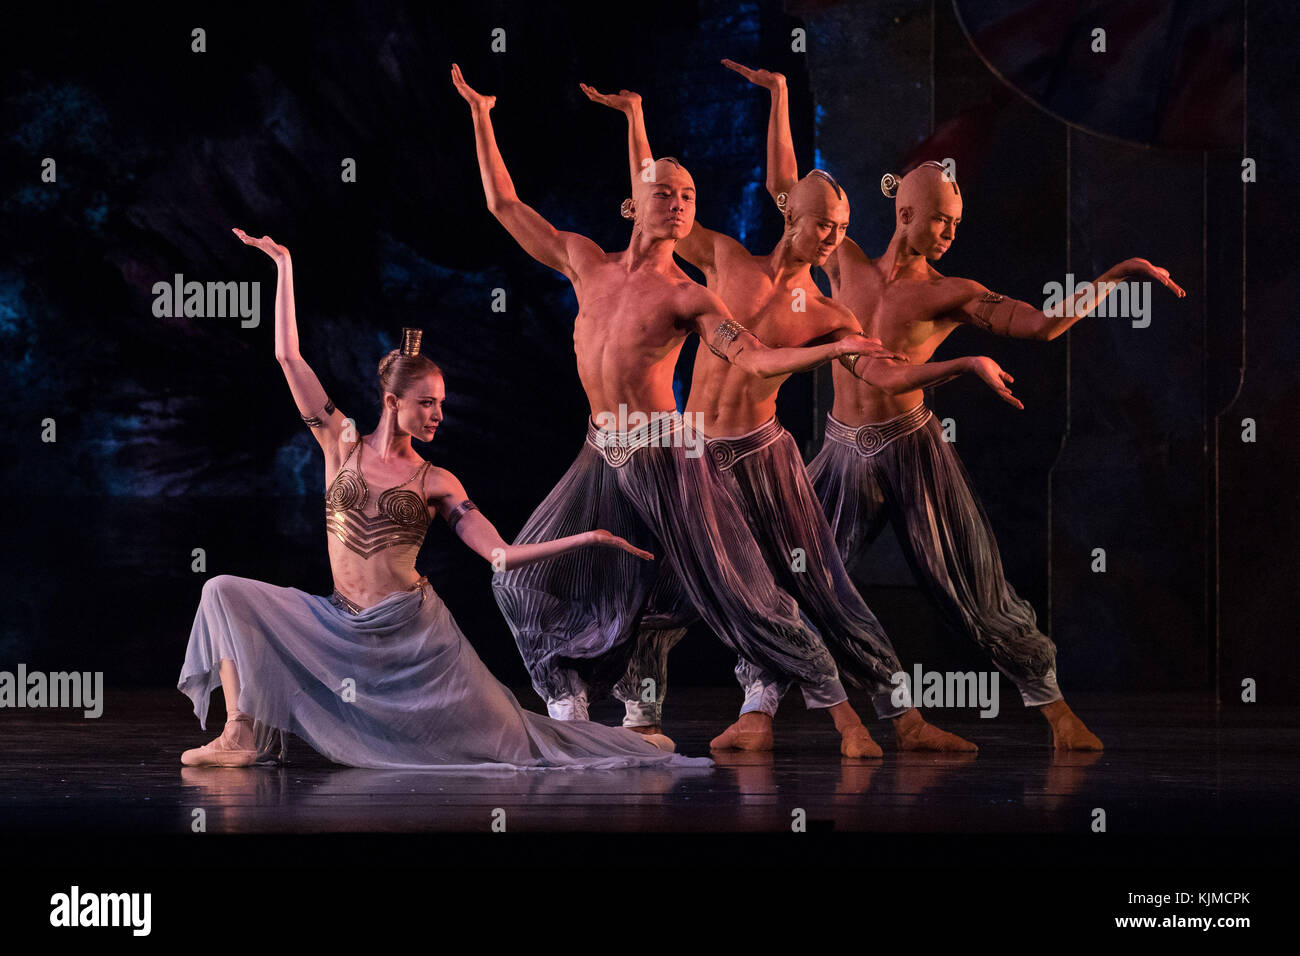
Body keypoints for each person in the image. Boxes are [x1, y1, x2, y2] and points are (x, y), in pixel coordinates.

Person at [729, 59, 1187, 749]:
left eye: (956, 223)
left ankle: (1056, 712)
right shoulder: (842, 260)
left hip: (913, 447)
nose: (949, 233)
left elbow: (1043, 323)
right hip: (841, 448)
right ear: (905, 213)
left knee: (973, 582)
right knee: (792, 571)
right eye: (940, 221)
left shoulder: (950, 292)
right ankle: (756, 712)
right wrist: (781, 97)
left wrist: (1117, 278)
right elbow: (785, 190)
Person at [451, 64, 889, 757]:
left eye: (689, 196)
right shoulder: (584, 262)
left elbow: (752, 357)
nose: (680, 204)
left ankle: (845, 719)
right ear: (635, 202)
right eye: (665, 194)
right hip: (602, 448)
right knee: (521, 576)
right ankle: (569, 703)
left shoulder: (689, 296)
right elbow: (505, 207)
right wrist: (481, 115)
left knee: (740, 588)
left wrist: (832, 351)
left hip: (665, 449)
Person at [585, 82, 1020, 754]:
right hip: (694, 456)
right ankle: (642, 720)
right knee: (664, 590)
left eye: (842, 231)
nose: (831, 239)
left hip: (765, 456)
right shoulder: (725, 260)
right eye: (822, 224)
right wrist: (639, 117)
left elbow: (883, 374)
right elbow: (652, 201)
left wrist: (958, 369)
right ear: (790, 212)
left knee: (824, 585)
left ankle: (900, 718)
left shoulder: (828, 314)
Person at [176, 228, 710, 770]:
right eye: (427, 403)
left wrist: (588, 538)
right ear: (391, 401)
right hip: (338, 619)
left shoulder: (438, 481)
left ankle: (627, 744)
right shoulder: (338, 442)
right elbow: (288, 357)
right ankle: (240, 734)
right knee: (223, 591)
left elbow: (499, 556)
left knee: (516, 746)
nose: (437, 415)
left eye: (441, 405)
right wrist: (284, 264)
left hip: (411, 632)